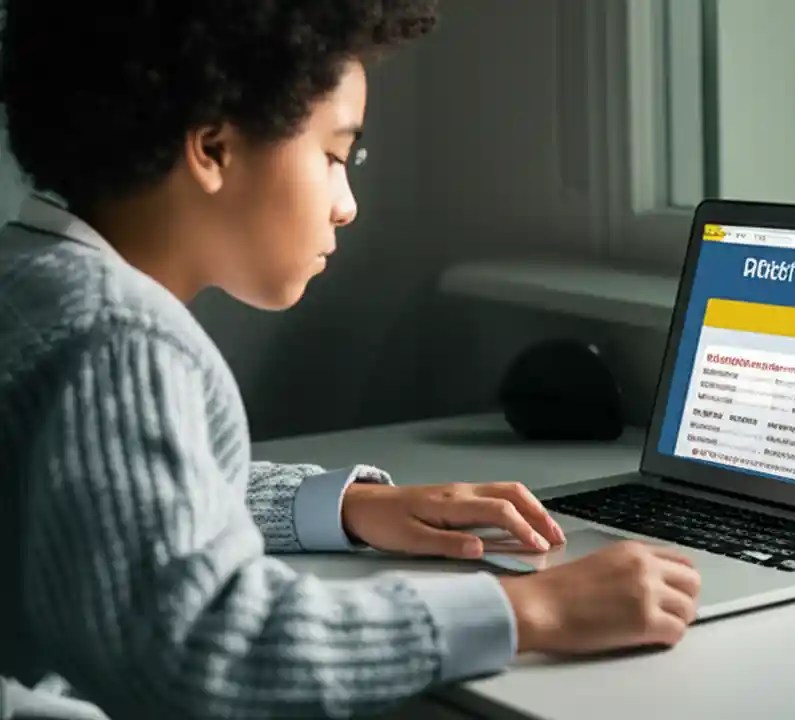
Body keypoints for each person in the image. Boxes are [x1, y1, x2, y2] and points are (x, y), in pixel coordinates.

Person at [0, 2, 701, 717]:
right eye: (334, 157)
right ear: (211, 148)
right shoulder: (121, 340)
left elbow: (109, 505)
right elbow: (199, 646)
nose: (347, 206)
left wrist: (347, 505)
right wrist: (524, 612)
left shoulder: (29, 278)